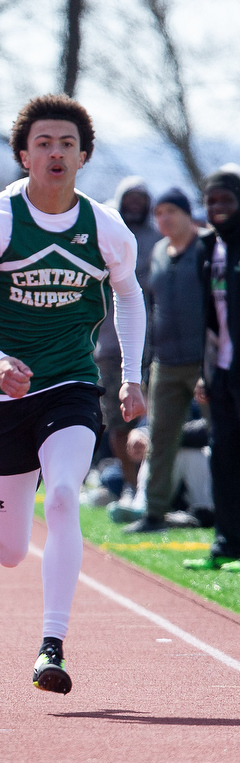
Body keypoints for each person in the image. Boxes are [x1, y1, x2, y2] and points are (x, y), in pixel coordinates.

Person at [0, 94, 146, 695]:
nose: (55, 153)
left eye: (67, 144)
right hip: (1, 394)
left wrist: (131, 375)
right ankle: (20, 479)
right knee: (10, 552)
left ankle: (51, 646)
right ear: (23, 156)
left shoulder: (105, 228)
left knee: (62, 497)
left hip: (70, 384)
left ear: (83, 156)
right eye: (43, 143)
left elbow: (129, 297)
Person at [119, 188, 210, 532]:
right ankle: (154, 512)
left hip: (204, 361)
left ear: (188, 214)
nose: (164, 219)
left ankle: (227, 515)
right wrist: (146, 362)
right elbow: (151, 308)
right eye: (159, 213)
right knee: (160, 436)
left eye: (172, 211)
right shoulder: (157, 251)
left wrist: (210, 365)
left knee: (223, 437)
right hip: (166, 362)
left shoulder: (208, 247)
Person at [88, 177, 159, 504]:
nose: (134, 205)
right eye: (129, 198)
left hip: (152, 346)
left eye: (140, 199)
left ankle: (150, 489)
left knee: (151, 419)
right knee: (118, 419)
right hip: (109, 345)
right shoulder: (104, 237)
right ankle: (130, 486)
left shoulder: (157, 241)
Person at [183, 167, 240, 571]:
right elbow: (209, 319)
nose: (218, 207)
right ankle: (227, 544)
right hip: (221, 372)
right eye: (211, 200)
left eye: (227, 200)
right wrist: (206, 372)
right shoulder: (207, 248)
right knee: (223, 457)